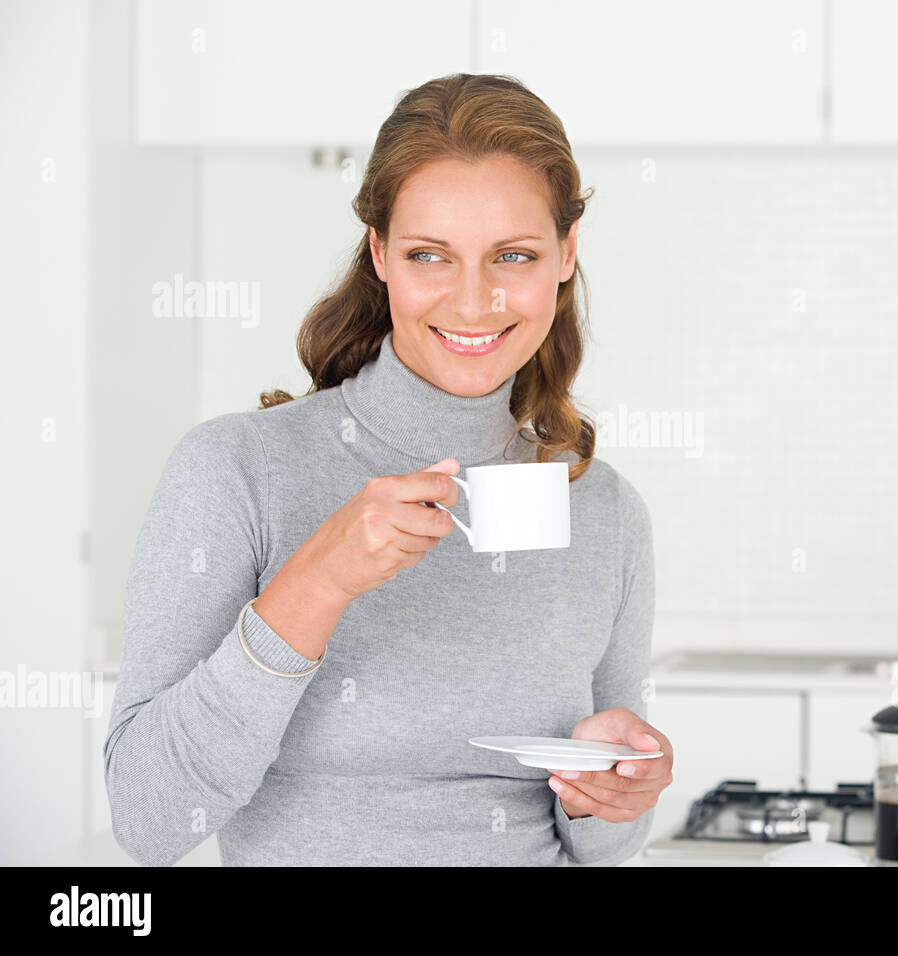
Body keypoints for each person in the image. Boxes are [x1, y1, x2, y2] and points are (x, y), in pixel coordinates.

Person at [104, 73, 672, 866]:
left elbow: (604, 847)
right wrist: (316, 583)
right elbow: (147, 819)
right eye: (429, 255)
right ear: (379, 255)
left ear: (566, 255)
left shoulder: (605, 511)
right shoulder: (238, 470)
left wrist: (614, 792)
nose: (473, 302)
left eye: (513, 254)